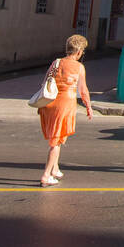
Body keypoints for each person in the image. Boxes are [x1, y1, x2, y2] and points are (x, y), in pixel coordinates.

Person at [39, 34, 93, 187]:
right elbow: (83, 90)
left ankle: (55, 169)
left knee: (58, 137)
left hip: (49, 104)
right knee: (55, 142)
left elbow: (44, 82)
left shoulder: (56, 63)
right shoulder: (79, 67)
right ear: (78, 51)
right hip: (65, 105)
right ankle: (46, 174)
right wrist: (88, 106)